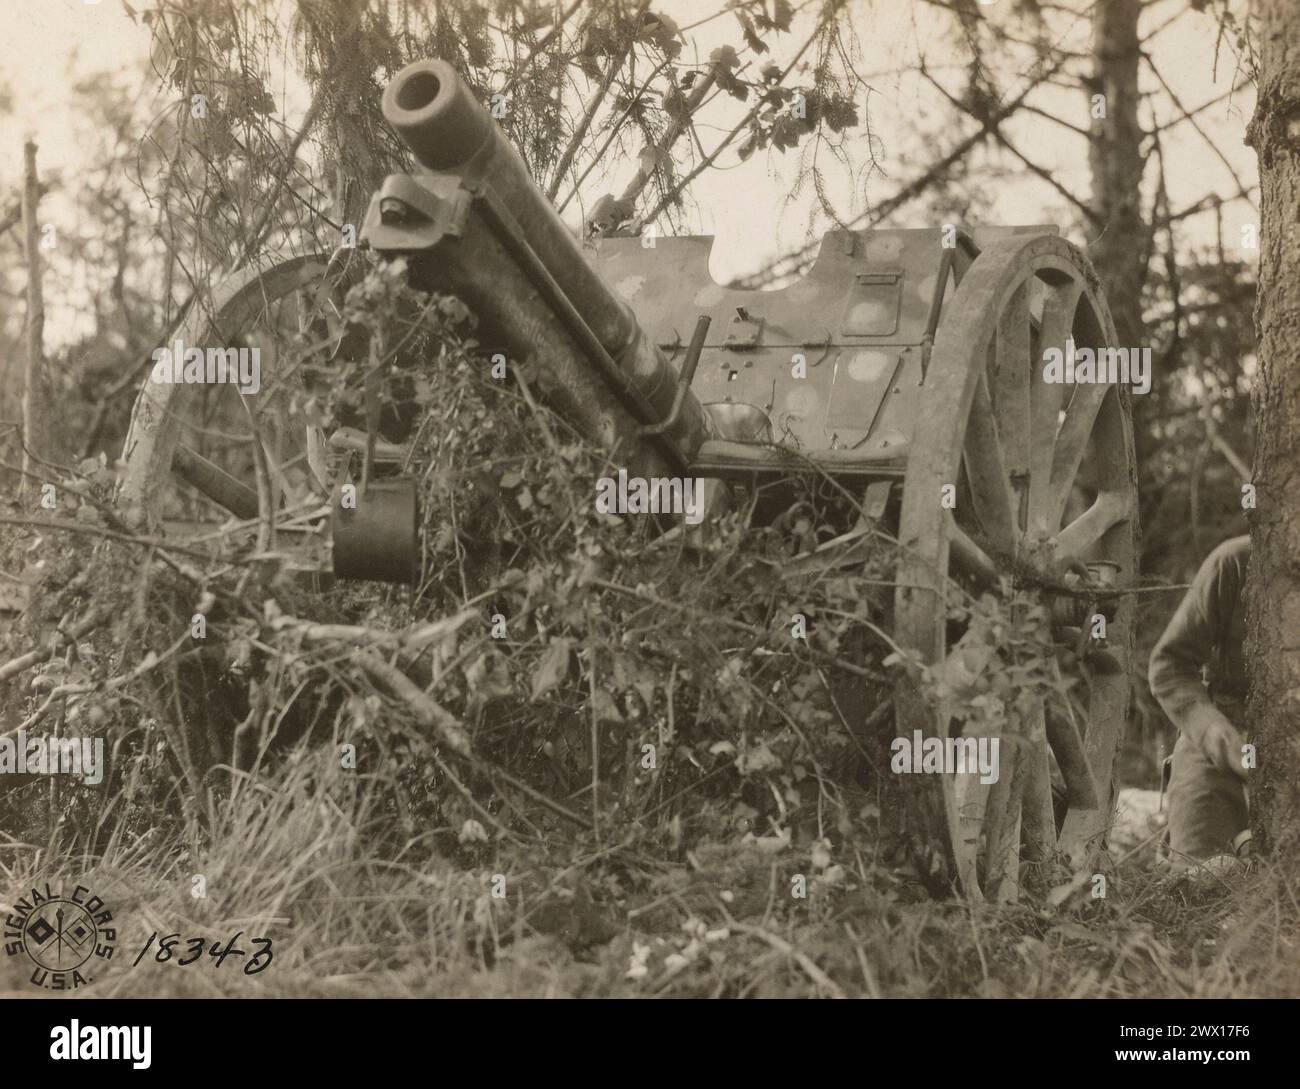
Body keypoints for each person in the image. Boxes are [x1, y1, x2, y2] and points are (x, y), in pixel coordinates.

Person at [1147, 535, 1251, 866]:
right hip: (1223, 746)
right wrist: (1216, 734)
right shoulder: (1235, 562)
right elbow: (1170, 666)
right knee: (1200, 878)